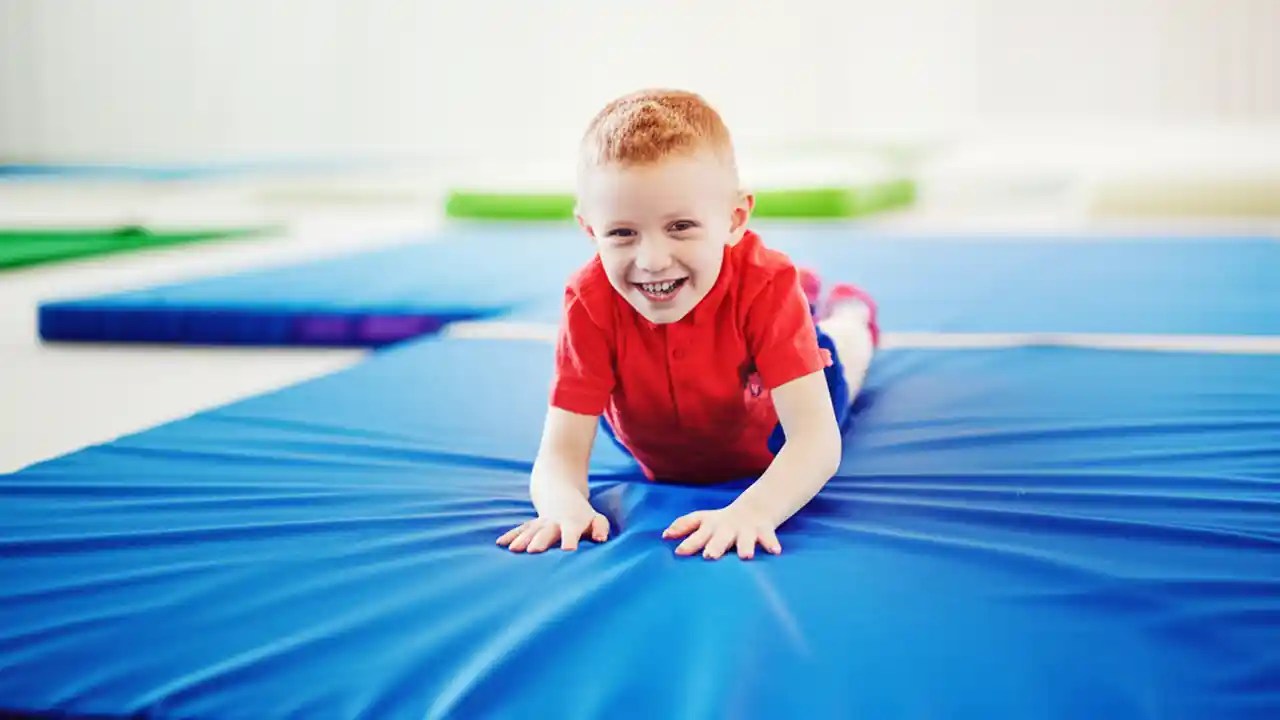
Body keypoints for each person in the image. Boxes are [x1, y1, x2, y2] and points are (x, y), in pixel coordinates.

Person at [497, 89, 878, 560]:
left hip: (770, 428)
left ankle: (849, 310)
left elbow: (817, 442)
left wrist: (753, 511)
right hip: (655, 416)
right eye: (622, 233)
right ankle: (802, 288)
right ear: (590, 230)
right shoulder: (590, 300)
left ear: (735, 219)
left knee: (845, 356)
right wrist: (562, 506)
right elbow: (559, 454)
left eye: (680, 227)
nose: (652, 260)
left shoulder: (765, 284)